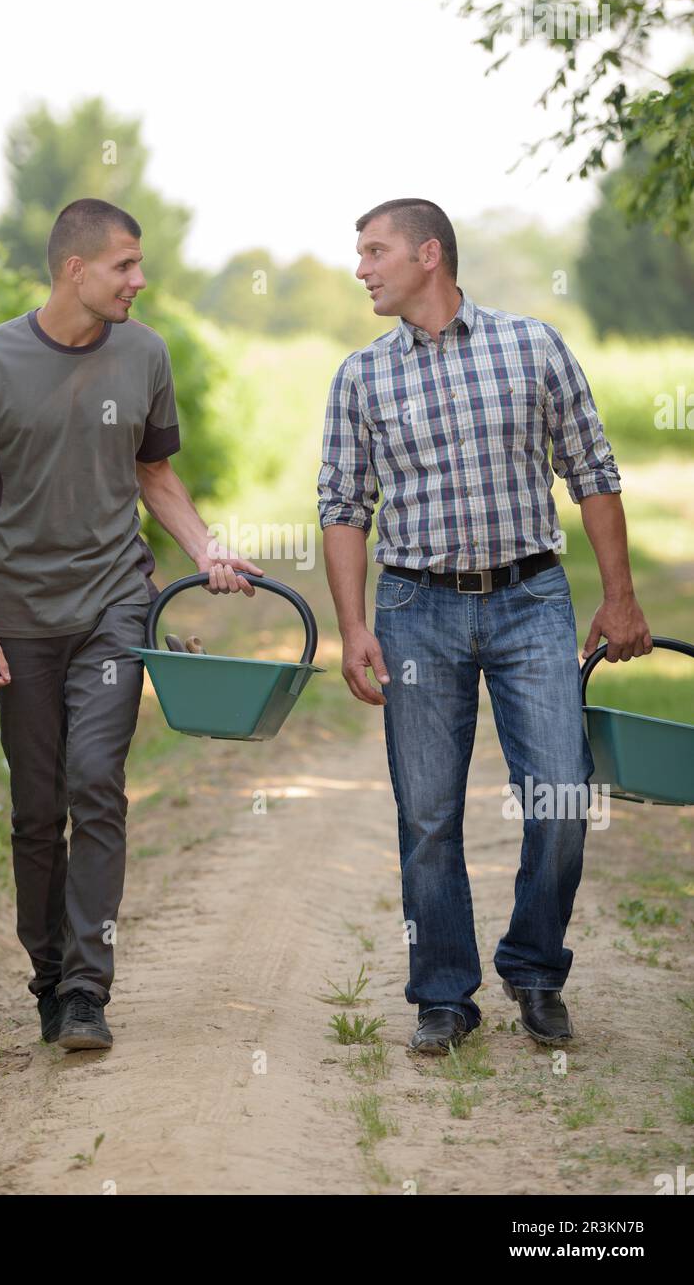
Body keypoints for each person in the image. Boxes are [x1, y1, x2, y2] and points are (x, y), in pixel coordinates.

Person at [0, 198, 262, 1051]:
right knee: (38, 811)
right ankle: (46, 976)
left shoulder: (144, 353)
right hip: (21, 616)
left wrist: (207, 549)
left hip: (117, 602)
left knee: (96, 785)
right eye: (124, 267)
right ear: (75, 269)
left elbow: (154, 473)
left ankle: (85, 990)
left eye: (138, 267)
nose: (139, 283)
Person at [317, 198, 652, 1054]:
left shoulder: (531, 347)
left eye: (375, 251)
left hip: (529, 600)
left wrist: (618, 598)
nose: (361, 268)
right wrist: (353, 626)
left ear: (430, 255)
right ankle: (442, 995)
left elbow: (592, 472)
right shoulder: (361, 376)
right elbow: (343, 509)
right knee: (427, 814)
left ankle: (534, 970)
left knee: (563, 797)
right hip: (413, 609)